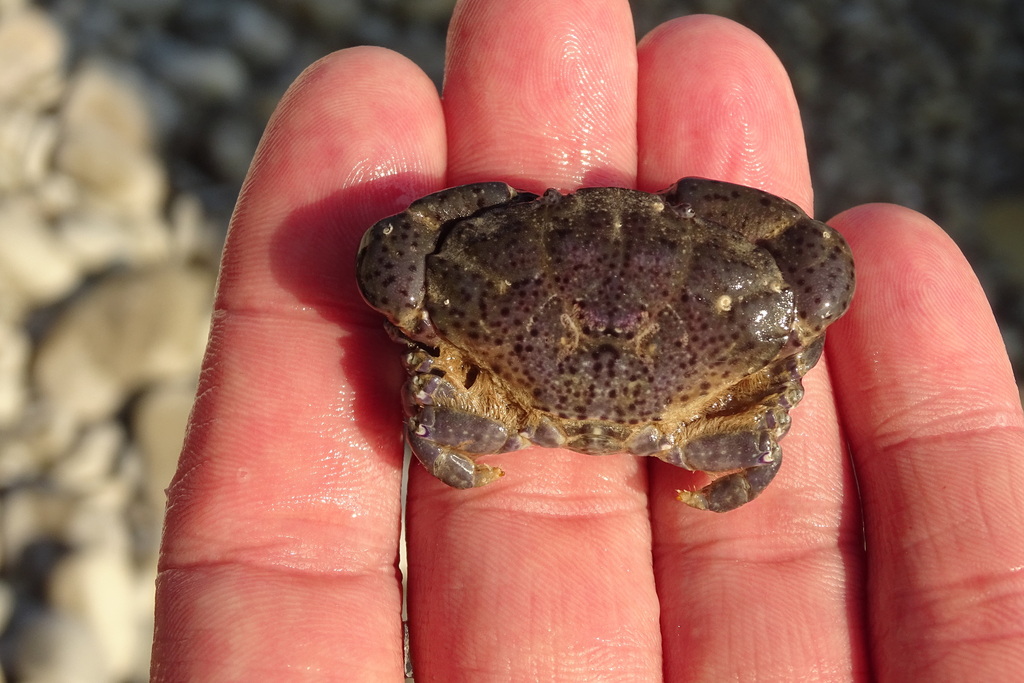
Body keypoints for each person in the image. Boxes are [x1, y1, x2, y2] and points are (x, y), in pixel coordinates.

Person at [149, 4, 1024, 681]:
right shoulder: (746, 386)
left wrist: (494, 212)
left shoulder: (467, 310)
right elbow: (815, 283)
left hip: (496, 411)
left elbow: (400, 274)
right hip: (695, 428)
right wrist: (755, 410)